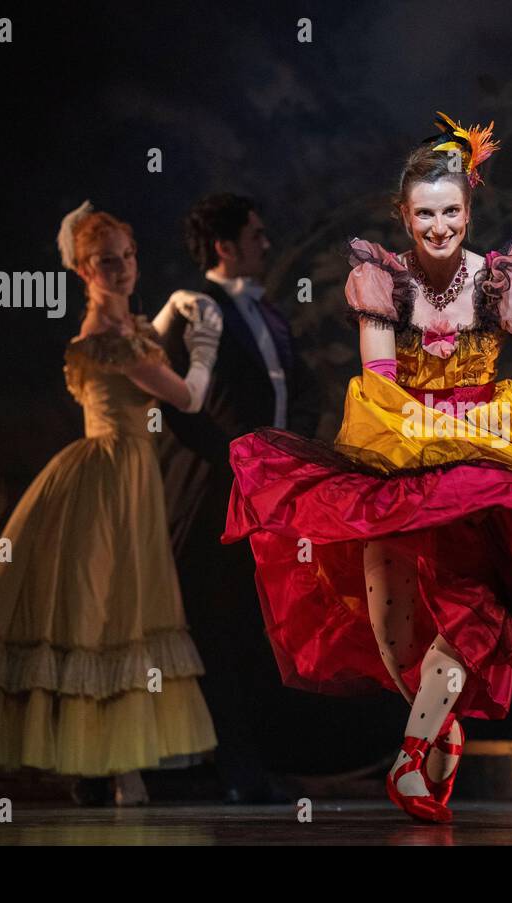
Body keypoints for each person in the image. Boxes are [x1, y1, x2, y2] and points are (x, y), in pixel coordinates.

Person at [221, 113, 512, 822]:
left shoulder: (500, 285)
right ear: (404, 216)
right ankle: (439, 725)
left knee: (473, 608)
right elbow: (377, 383)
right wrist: (436, 428)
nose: (440, 227)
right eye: (426, 213)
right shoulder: (382, 283)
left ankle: (411, 757)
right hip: (398, 455)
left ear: (470, 210)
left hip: (485, 465)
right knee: (389, 630)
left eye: (453, 212)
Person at [0, 203, 222, 807]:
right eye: (106, 262)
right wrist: (203, 345)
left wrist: (174, 309)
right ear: (82, 269)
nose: (122, 269)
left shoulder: (127, 332)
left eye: (128, 257)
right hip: (101, 482)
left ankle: (122, 768)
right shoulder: (105, 342)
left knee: (121, 615)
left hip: (131, 485)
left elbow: (146, 345)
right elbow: (187, 398)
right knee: (82, 614)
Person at [155, 194, 321, 803]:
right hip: (211, 494)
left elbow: (304, 386)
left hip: (269, 492)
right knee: (214, 627)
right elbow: (178, 411)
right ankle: (224, 767)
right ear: (223, 246)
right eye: (255, 235)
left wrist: (285, 450)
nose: (266, 243)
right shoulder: (192, 310)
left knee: (256, 628)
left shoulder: (269, 312)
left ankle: (249, 762)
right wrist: (241, 459)